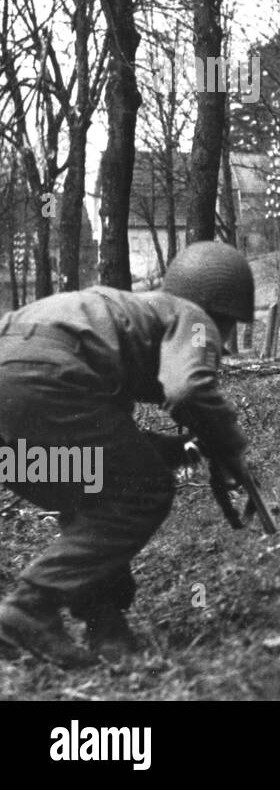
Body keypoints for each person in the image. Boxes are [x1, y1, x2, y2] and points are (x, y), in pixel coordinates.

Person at [0, 241, 254, 668]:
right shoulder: (192, 317)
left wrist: (181, 449)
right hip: (52, 379)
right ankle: (30, 606)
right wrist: (231, 448)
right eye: (227, 331)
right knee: (144, 489)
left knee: (90, 487)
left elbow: (104, 443)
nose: (222, 344)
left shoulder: (119, 318)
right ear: (222, 310)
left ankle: (106, 626)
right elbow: (188, 388)